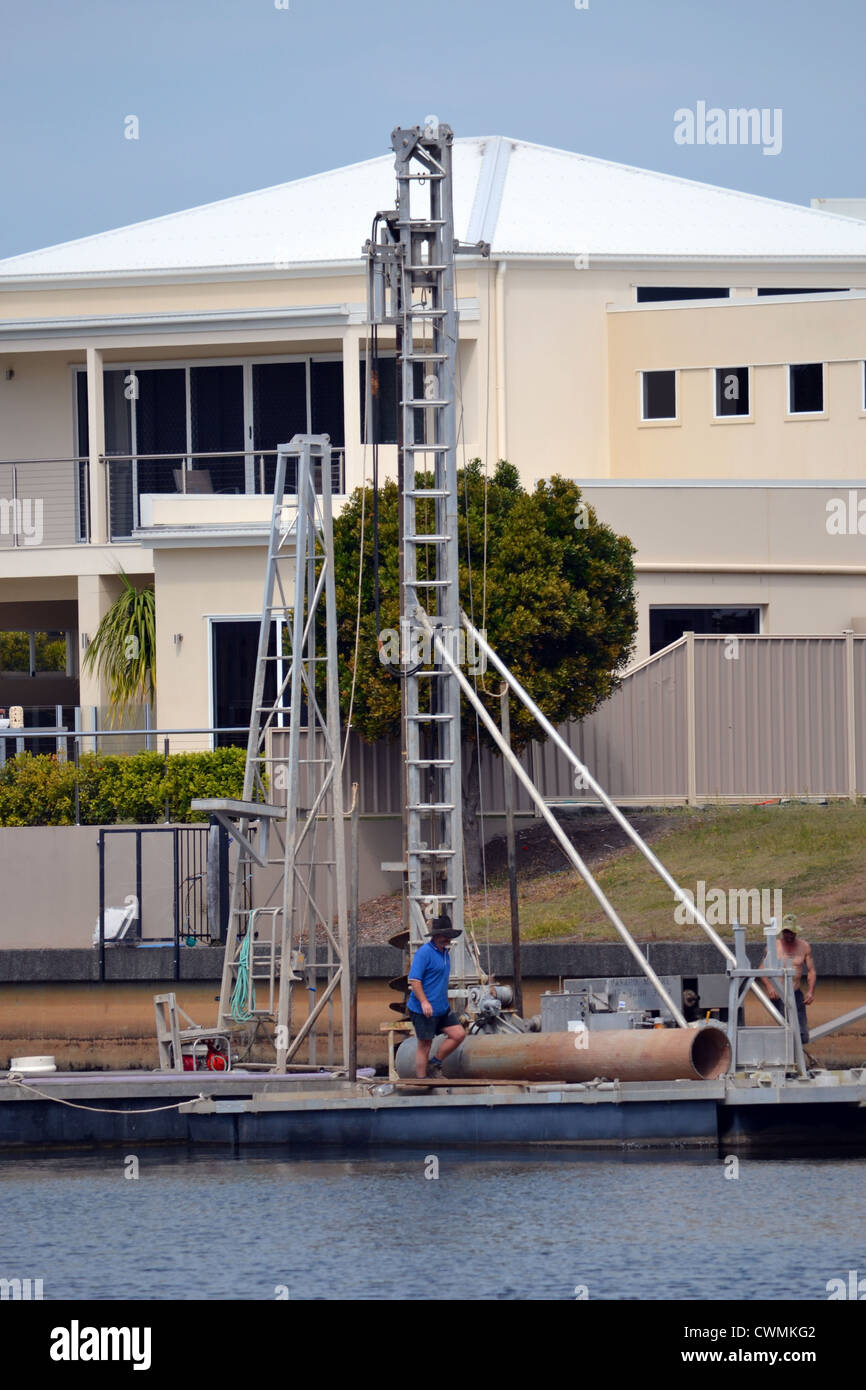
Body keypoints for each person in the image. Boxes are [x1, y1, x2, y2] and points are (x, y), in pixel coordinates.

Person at [407, 913, 466, 1079]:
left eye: (449, 936)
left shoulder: (445, 954)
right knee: (424, 1044)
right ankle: (421, 1080)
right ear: (438, 936)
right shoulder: (424, 953)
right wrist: (424, 1002)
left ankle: (435, 1062)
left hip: (441, 1007)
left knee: (458, 1034)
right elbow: (414, 980)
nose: (448, 939)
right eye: (446, 935)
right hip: (422, 1008)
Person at [761, 913, 816, 1044]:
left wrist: (810, 991)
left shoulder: (804, 946)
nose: (789, 935)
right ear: (782, 931)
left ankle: (798, 1059)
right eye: (786, 932)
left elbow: (811, 971)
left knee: (802, 1034)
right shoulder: (774, 946)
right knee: (785, 1031)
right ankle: (788, 1060)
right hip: (778, 995)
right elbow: (762, 970)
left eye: (792, 932)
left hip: (795, 993)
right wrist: (769, 987)